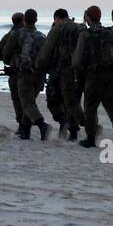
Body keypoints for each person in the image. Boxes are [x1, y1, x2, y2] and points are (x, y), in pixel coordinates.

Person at [71, 5, 113, 149]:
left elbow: (76, 61)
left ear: (88, 17)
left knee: (90, 107)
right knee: (112, 105)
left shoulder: (85, 34)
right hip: (112, 75)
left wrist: (81, 72)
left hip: (94, 75)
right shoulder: (110, 33)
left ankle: (91, 139)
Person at [0, 8, 49, 140]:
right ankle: (25, 130)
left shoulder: (16, 34)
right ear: (36, 20)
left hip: (24, 74)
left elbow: (5, 54)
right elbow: (47, 56)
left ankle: (42, 125)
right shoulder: (41, 36)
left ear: (25, 20)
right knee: (29, 102)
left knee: (27, 103)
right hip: (39, 76)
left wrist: (12, 63)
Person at [37, 9, 84, 142]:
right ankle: (73, 131)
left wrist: (39, 66)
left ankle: (65, 123)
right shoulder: (79, 28)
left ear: (57, 18)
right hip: (76, 70)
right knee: (69, 101)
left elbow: (46, 50)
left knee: (53, 101)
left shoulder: (58, 28)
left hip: (59, 71)